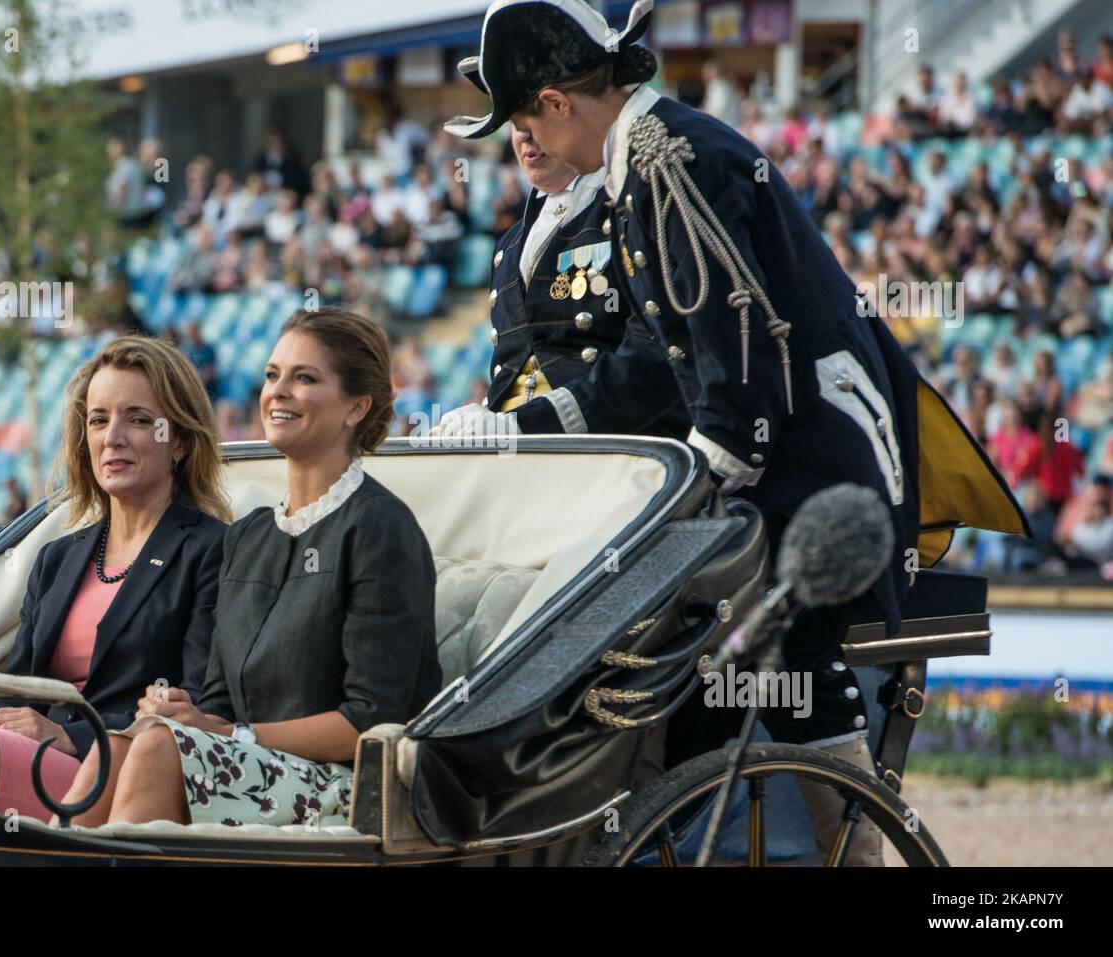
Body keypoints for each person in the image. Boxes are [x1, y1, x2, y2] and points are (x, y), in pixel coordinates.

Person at [446, 0, 1030, 865]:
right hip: (793, 451)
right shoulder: (651, 156)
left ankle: (849, 846)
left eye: (525, 118)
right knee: (708, 644)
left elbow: (734, 358)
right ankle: (687, 819)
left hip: (812, 466)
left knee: (752, 628)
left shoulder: (668, 160)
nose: (526, 143)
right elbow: (671, 355)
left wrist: (702, 478)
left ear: (557, 103)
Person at [59, 308, 441, 828]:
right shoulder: (248, 535)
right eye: (271, 376)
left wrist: (230, 736)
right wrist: (184, 713)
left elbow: (372, 720)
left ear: (356, 407)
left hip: (342, 783)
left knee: (154, 749)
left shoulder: (379, 527)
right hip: (251, 761)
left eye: (304, 378)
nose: (277, 391)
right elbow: (217, 700)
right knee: (127, 741)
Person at [0, 336, 231, 823]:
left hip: (115, 765)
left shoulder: (212, 549)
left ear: (177, 439)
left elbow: (201, 702)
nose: (112, 436)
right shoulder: (57, 557)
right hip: (41, 753)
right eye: (98, 420)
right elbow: (20, 683)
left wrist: (72, 735)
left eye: (137, 419)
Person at [436, 68, 684, 439]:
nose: (527, 141)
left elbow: (653, 356)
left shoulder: (625, 210)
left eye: (536, 124)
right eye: (518, 128)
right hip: (519, 454)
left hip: (611, 446)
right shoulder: (508, 244)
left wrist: (525, 425)